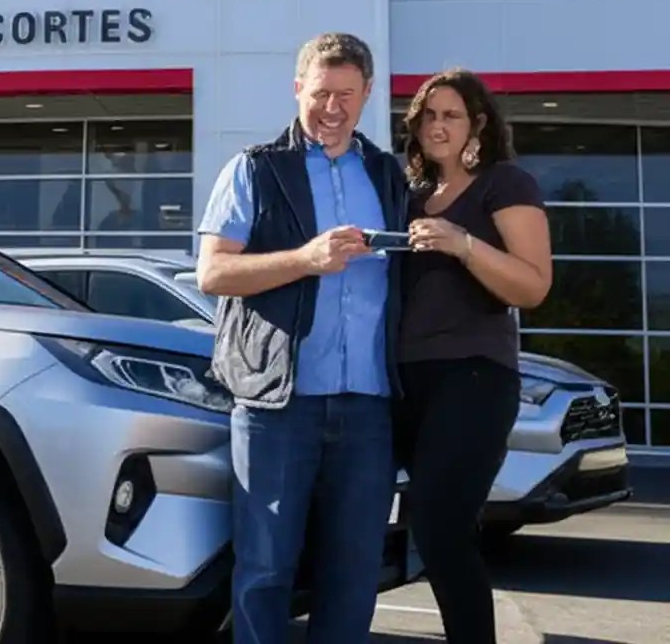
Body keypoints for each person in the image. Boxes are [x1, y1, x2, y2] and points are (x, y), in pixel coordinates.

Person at [196, 32, 408, 644]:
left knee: (354, 573)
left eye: (346, 93)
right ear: (297, 90)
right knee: (265, 571)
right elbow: (213, 273)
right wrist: (305, 258)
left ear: (368, 93)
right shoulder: (255, 168)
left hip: (369, 409)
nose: (332, 108)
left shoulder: (387, 175)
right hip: (275, 407)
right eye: (320, 93)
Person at [395, 68, 552, 643]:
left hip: (475, 378)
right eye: (428, 116)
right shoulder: (410, 197)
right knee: (397, 521)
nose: (438, 126)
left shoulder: (503, 183)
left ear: (477, 123)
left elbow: (533, 286)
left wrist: (463, 245)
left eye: (451, 114)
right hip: (403, 382)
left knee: (439, 526)